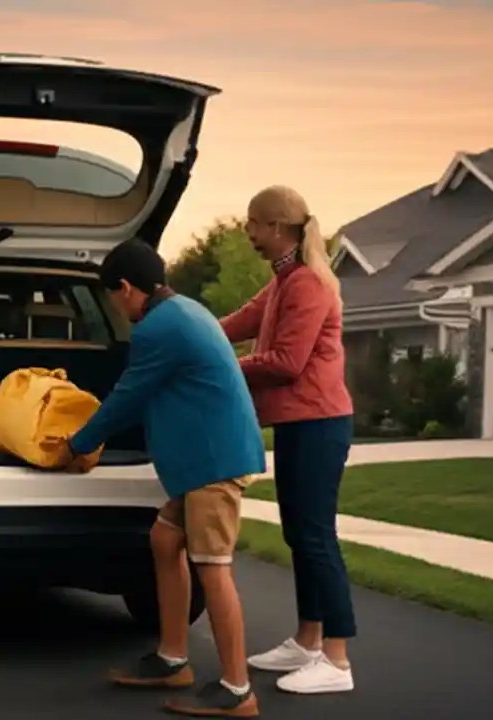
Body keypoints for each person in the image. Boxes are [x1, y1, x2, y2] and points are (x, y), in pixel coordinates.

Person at [66, 238, 267, 718]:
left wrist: (78, 443)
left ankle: (238, 689)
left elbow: (128, 397)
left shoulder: (159, 328)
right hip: (205, 461)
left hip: (213, 466)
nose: (117, 307)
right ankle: (172, 658)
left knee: (213, 569)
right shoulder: (187, 312)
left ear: (127, 288)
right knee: (164, 539)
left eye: (114, 297)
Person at [220, 185, 357, 695]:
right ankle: (307, 641)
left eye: (253, 225)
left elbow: (285, 363)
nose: (249, 234)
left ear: (277, 227)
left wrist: (221, 367)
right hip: (301, 423)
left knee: (317, 536)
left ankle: (337, 660)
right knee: (300, 534)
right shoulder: (282, 281)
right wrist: (189, 335)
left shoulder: (307, 285)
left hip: (319, 422)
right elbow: (235, 323)